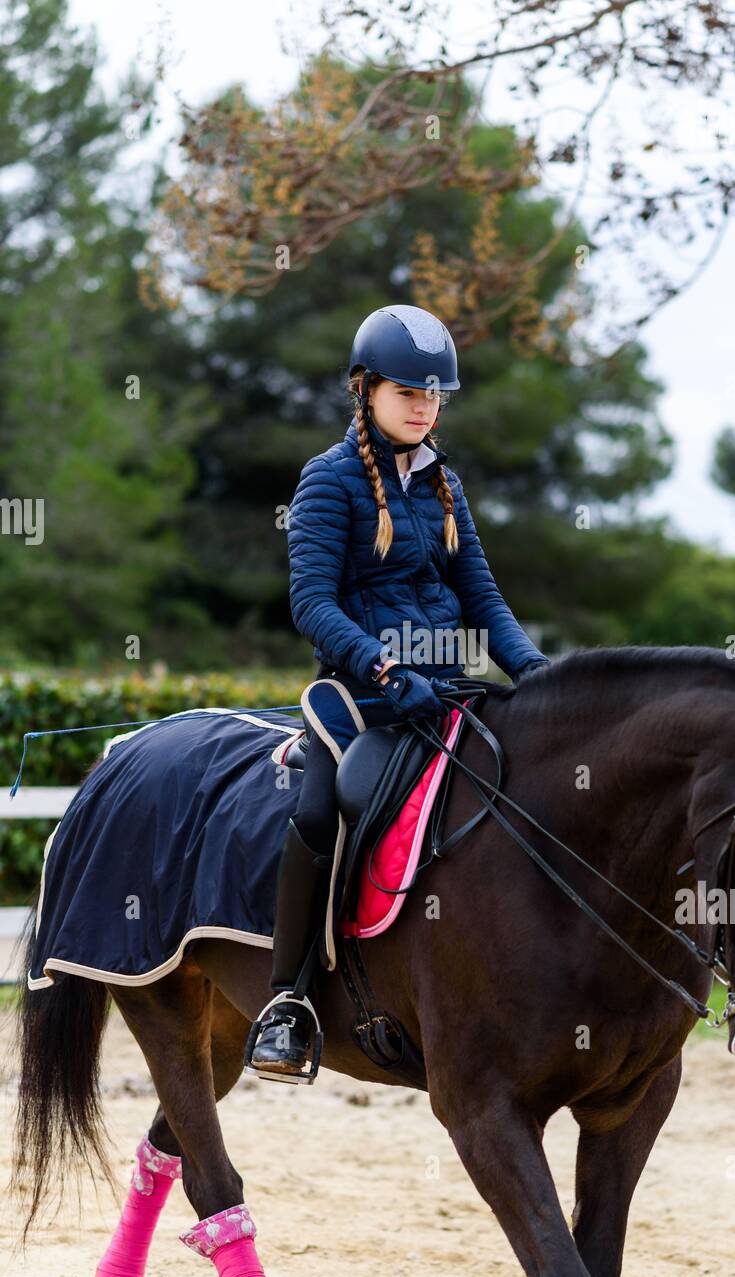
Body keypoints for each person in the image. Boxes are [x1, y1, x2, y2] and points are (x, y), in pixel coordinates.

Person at [248, 303, 550, 1081]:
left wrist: (542, 678)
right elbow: (312, 603)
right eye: (405, 391)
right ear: (365, 390)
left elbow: (482, 602)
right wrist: (385, 668)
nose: (422, 405)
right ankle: (287, 1001)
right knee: (320, 808)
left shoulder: (445, 483)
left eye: (432, 395)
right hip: (361, 696)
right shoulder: (329, 479)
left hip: (448, 689)